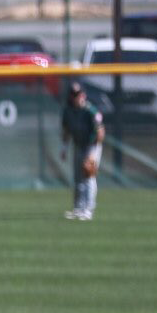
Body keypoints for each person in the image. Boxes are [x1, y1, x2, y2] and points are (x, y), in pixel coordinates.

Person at [60, 80, 105, 222]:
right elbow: (66, 130)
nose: (76, 97)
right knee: (78, 178)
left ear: (83, 95)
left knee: (88, 175)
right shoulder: (68, 111)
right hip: (78, 144)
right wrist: (64, 147)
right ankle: (78, 208)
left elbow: (100, 132)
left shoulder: (90, 111)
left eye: (78, 94)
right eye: (73, 94)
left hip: (91, 145)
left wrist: (93, 153)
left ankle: (88, 210)